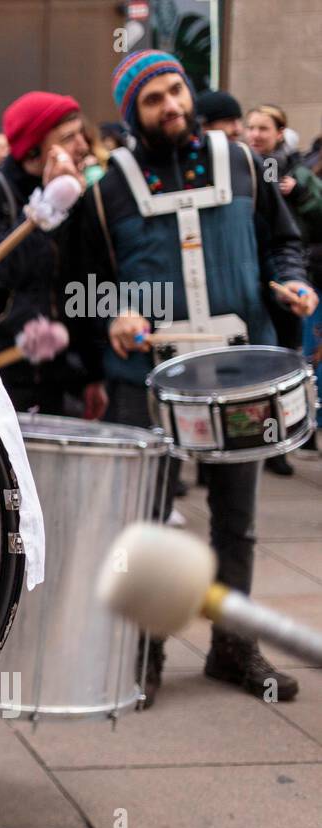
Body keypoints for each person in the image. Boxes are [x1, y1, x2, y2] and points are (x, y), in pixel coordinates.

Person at [67, 50, 314, 707]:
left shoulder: (241, 164)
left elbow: (280, 241)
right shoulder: (106, 188)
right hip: (143, 379)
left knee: (238, 519)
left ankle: (234, 648)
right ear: (134, 114)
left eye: (176, 91)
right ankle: (140, 655)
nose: (172, 106)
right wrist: (110, 314)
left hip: (240, 370)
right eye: (154, 100)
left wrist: (290, 280)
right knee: (144, 521)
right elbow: (78, 284)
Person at [0, 91, 103, 416]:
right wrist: (46, 209)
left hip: (62, 380)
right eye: (68, 137)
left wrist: (92, 373)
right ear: (34, 149)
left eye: (81, 134)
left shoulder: (80, 199)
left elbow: (90, 281)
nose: (83, 145)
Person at [245, 103, 322, 476]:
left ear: (280, 133)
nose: (256, 134)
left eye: (264, 128)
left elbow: (311, 218)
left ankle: (280, 444)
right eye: (252, 127)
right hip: (255, 283)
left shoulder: (298, 168)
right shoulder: (239, 167)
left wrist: (299, 190)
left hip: (291, 278)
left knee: (285, 364)